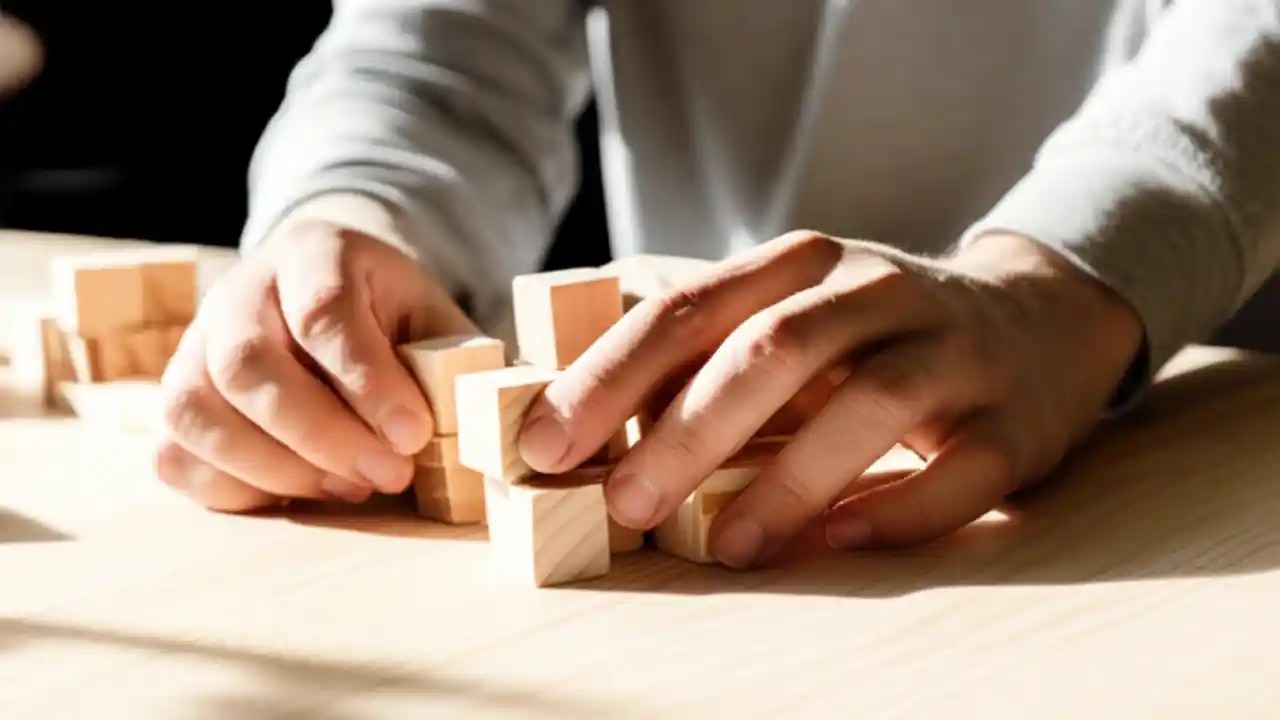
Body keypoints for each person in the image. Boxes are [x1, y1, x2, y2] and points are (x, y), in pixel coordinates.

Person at [156, 1, 1280, 569]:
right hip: (713, 474)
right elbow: (435, 58)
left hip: (1216, 435)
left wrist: (1062, 280)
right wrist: (348, 211)